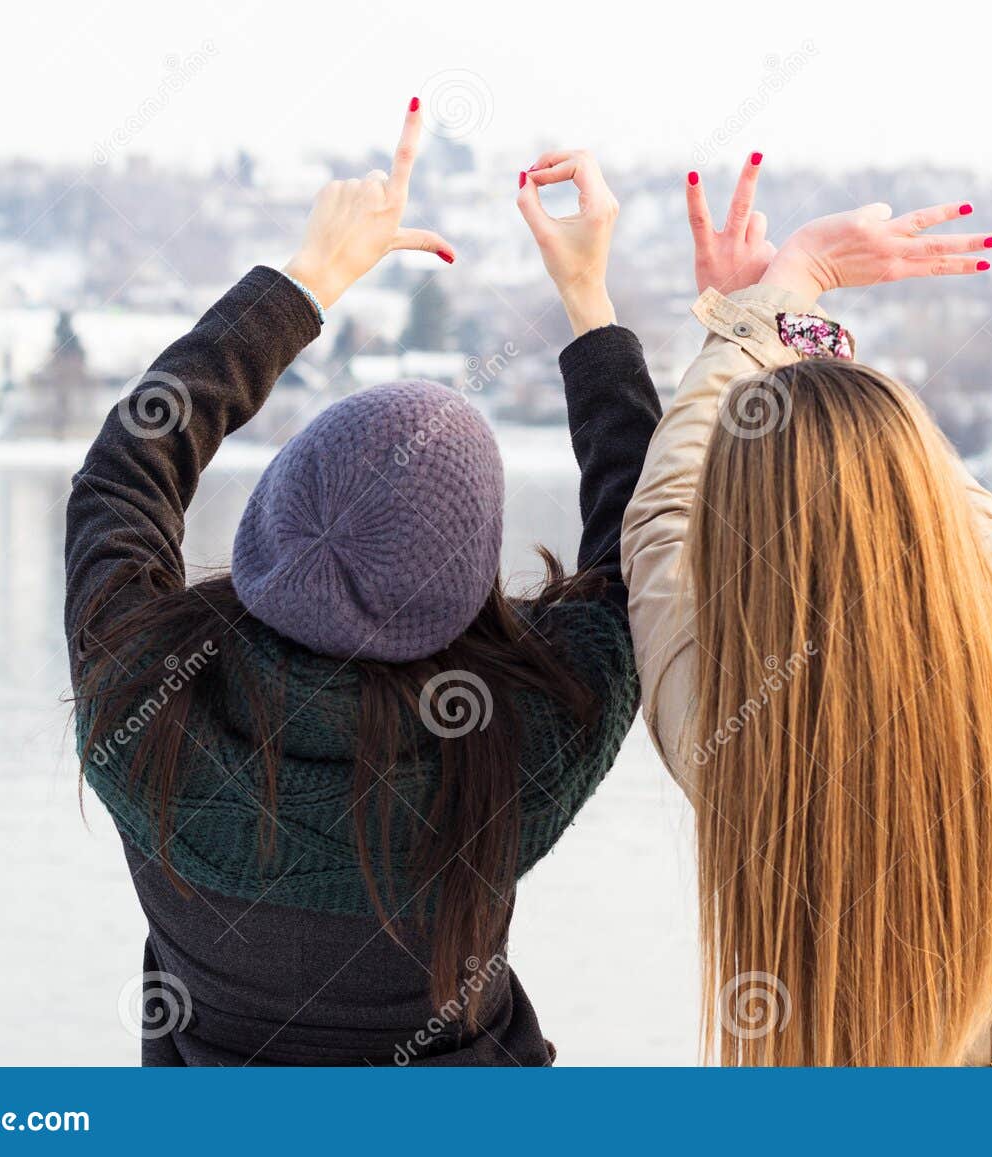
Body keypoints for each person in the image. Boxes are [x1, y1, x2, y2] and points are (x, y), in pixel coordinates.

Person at [64, 101, 660, 1065]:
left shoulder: (141, 700)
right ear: (464, 588)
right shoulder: (512, 750)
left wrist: (308, 279)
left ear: (272, 515)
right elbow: (641, 558)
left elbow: (125, 468)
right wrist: (588, 294)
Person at [621, 158, 992, 1066]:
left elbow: (660, 513)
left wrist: (778, 303)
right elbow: (972, 525)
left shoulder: (728, 722)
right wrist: (801, 323)